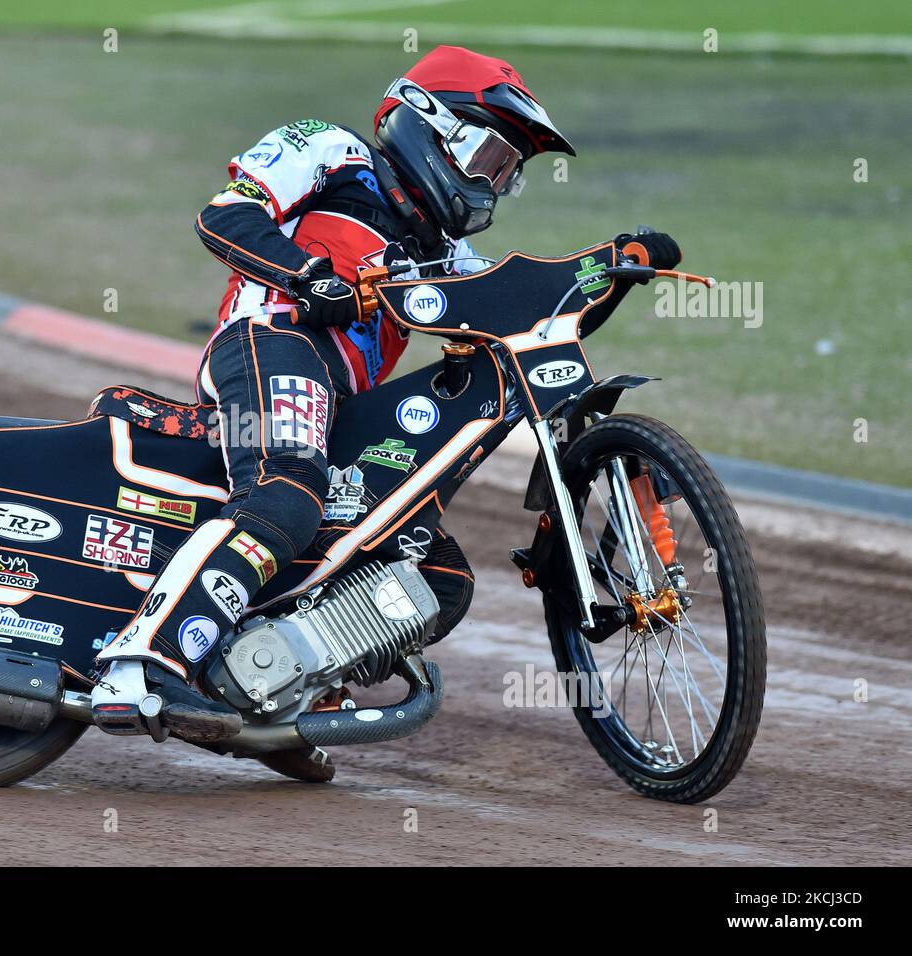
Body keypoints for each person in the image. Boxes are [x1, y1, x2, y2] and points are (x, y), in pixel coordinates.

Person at [91, 45, 681, 742]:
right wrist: (307, 276)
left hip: (342, 405)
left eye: (507, 173)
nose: (494, 184)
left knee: (438, 577)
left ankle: (282, 696)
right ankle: (137, 662)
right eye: (490, 159)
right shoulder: (333, 149)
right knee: (285, 493)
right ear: (432, 125)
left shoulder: (447, 256)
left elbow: (527, 307)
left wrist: (614, 265)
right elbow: (224, 216)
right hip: (270, 342)